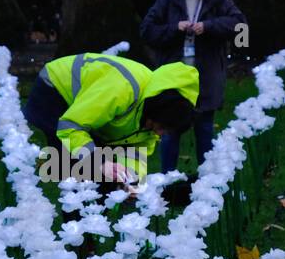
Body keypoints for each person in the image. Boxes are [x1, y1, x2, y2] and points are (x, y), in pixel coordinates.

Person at [22, 51, 198, 189]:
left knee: (104, 173)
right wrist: (99, 163)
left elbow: (135, 151)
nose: (159, 134)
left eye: (166, 131)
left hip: (89, 112)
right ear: (158, 109)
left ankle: (92, 222)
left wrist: (132, 181)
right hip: (55, 90)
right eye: (162, 127)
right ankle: (77, 228)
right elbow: (70, 126)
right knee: (77, 170)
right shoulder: (122, 89)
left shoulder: (154, 114)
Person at [139, 0, 246, 174]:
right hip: (173, 78)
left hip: (205, 76)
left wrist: (208, 27)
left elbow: (239, 24)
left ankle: (205, 182)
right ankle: (167, 180)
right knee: (169, 130)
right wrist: (174, 28)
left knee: (204, 129)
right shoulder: (167, 0)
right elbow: (147, 31)